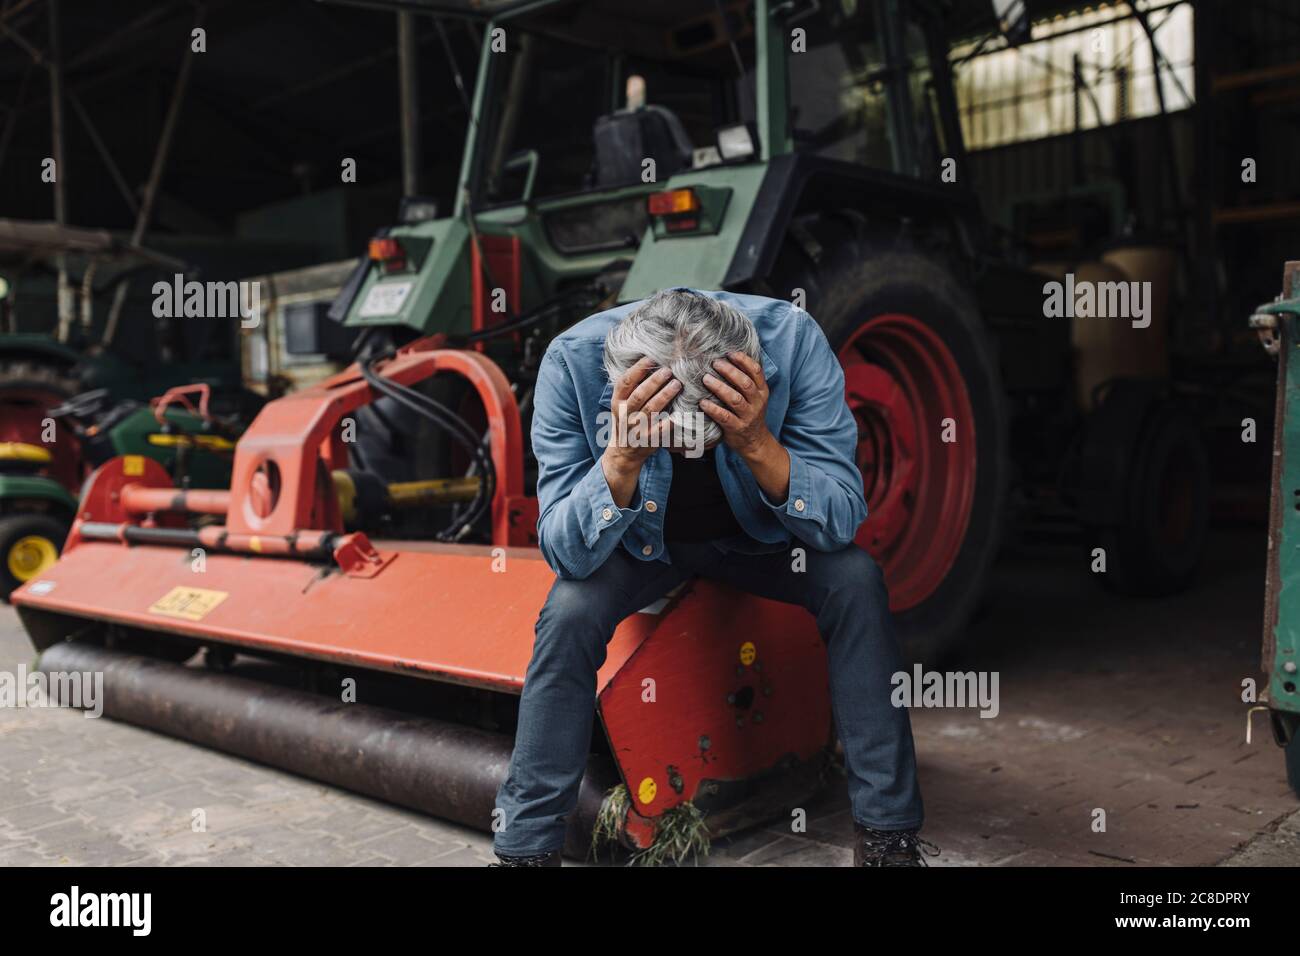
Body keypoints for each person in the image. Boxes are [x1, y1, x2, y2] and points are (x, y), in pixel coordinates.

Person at [491, 288, 930, 867]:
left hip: (764, 541)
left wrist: (755, 442)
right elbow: (567, 553)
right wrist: (621, 459)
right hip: (642, 547)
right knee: (569, 612)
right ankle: (526, 848)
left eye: (704, 428)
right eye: (674, 432)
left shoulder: (794, 342)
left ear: (745, 371)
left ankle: (888, 835)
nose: (689, 447)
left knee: (855, 580)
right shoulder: (571, 362)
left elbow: (841, 518)